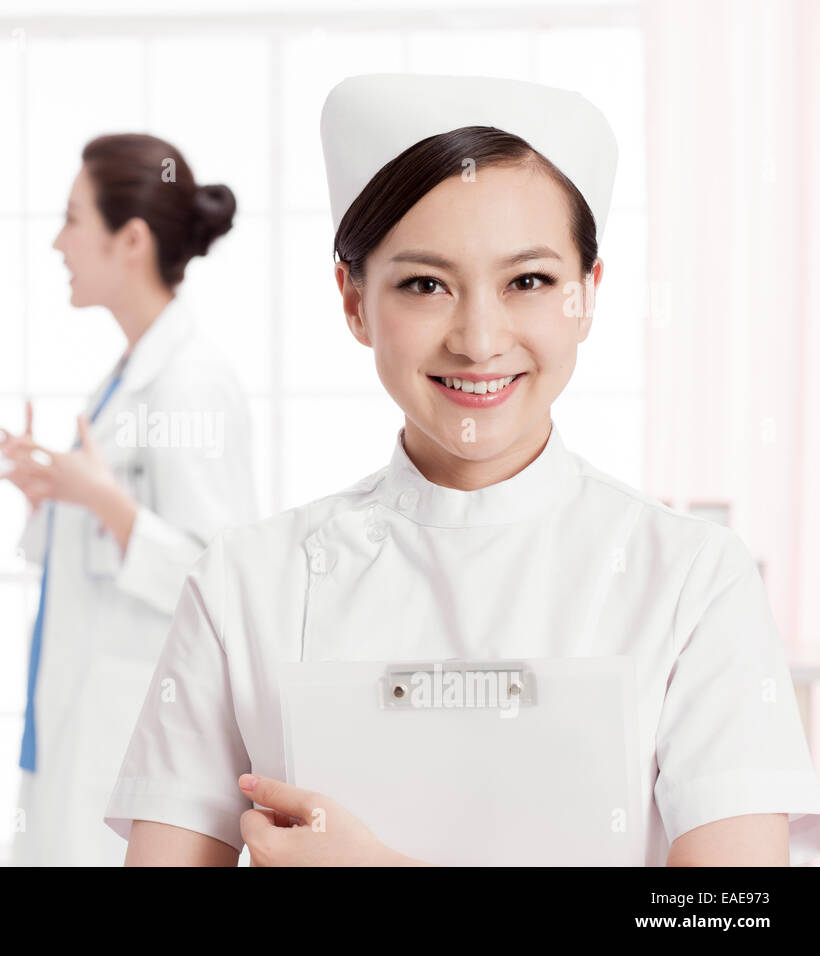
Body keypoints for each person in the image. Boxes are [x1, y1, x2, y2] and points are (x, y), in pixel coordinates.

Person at [104, 73, 820, 866]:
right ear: (353, 299)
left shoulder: (694, 581)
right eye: (424, 284)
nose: (480, 339)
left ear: (588, 294)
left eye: (529, 281)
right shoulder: (244, 585)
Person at [0, 134, 256, 865]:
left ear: (130, 239)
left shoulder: (189, 381)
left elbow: (222, 577)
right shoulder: (128, 376)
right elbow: (99, 552)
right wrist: (51, 494)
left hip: (130, 728)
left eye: (73, 219)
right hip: (81, 712)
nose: (57, 241)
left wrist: (103, 502)